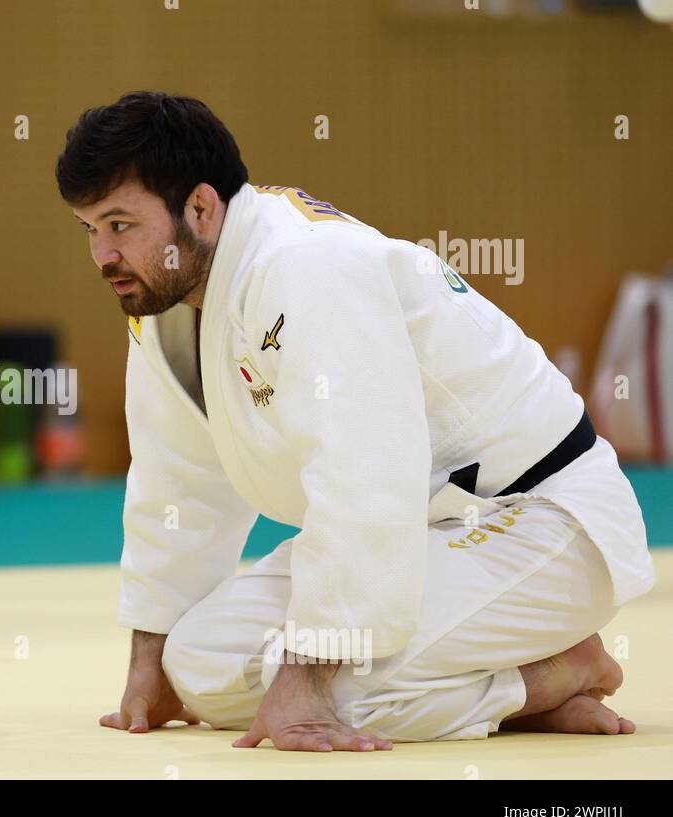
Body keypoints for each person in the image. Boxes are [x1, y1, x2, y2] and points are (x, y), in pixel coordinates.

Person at [56, 91, 655, 750]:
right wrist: (151, 657)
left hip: (542, 524)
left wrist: (309, 676)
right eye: (89, 229)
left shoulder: (308, 267)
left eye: (120, 225)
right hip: (424, 536)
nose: (102, 256)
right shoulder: (168, 304)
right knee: (197, 663)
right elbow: (179, 481)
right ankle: (519, 676)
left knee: (332, 686)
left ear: (200, 208)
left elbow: (363, 471)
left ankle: (551, 674)